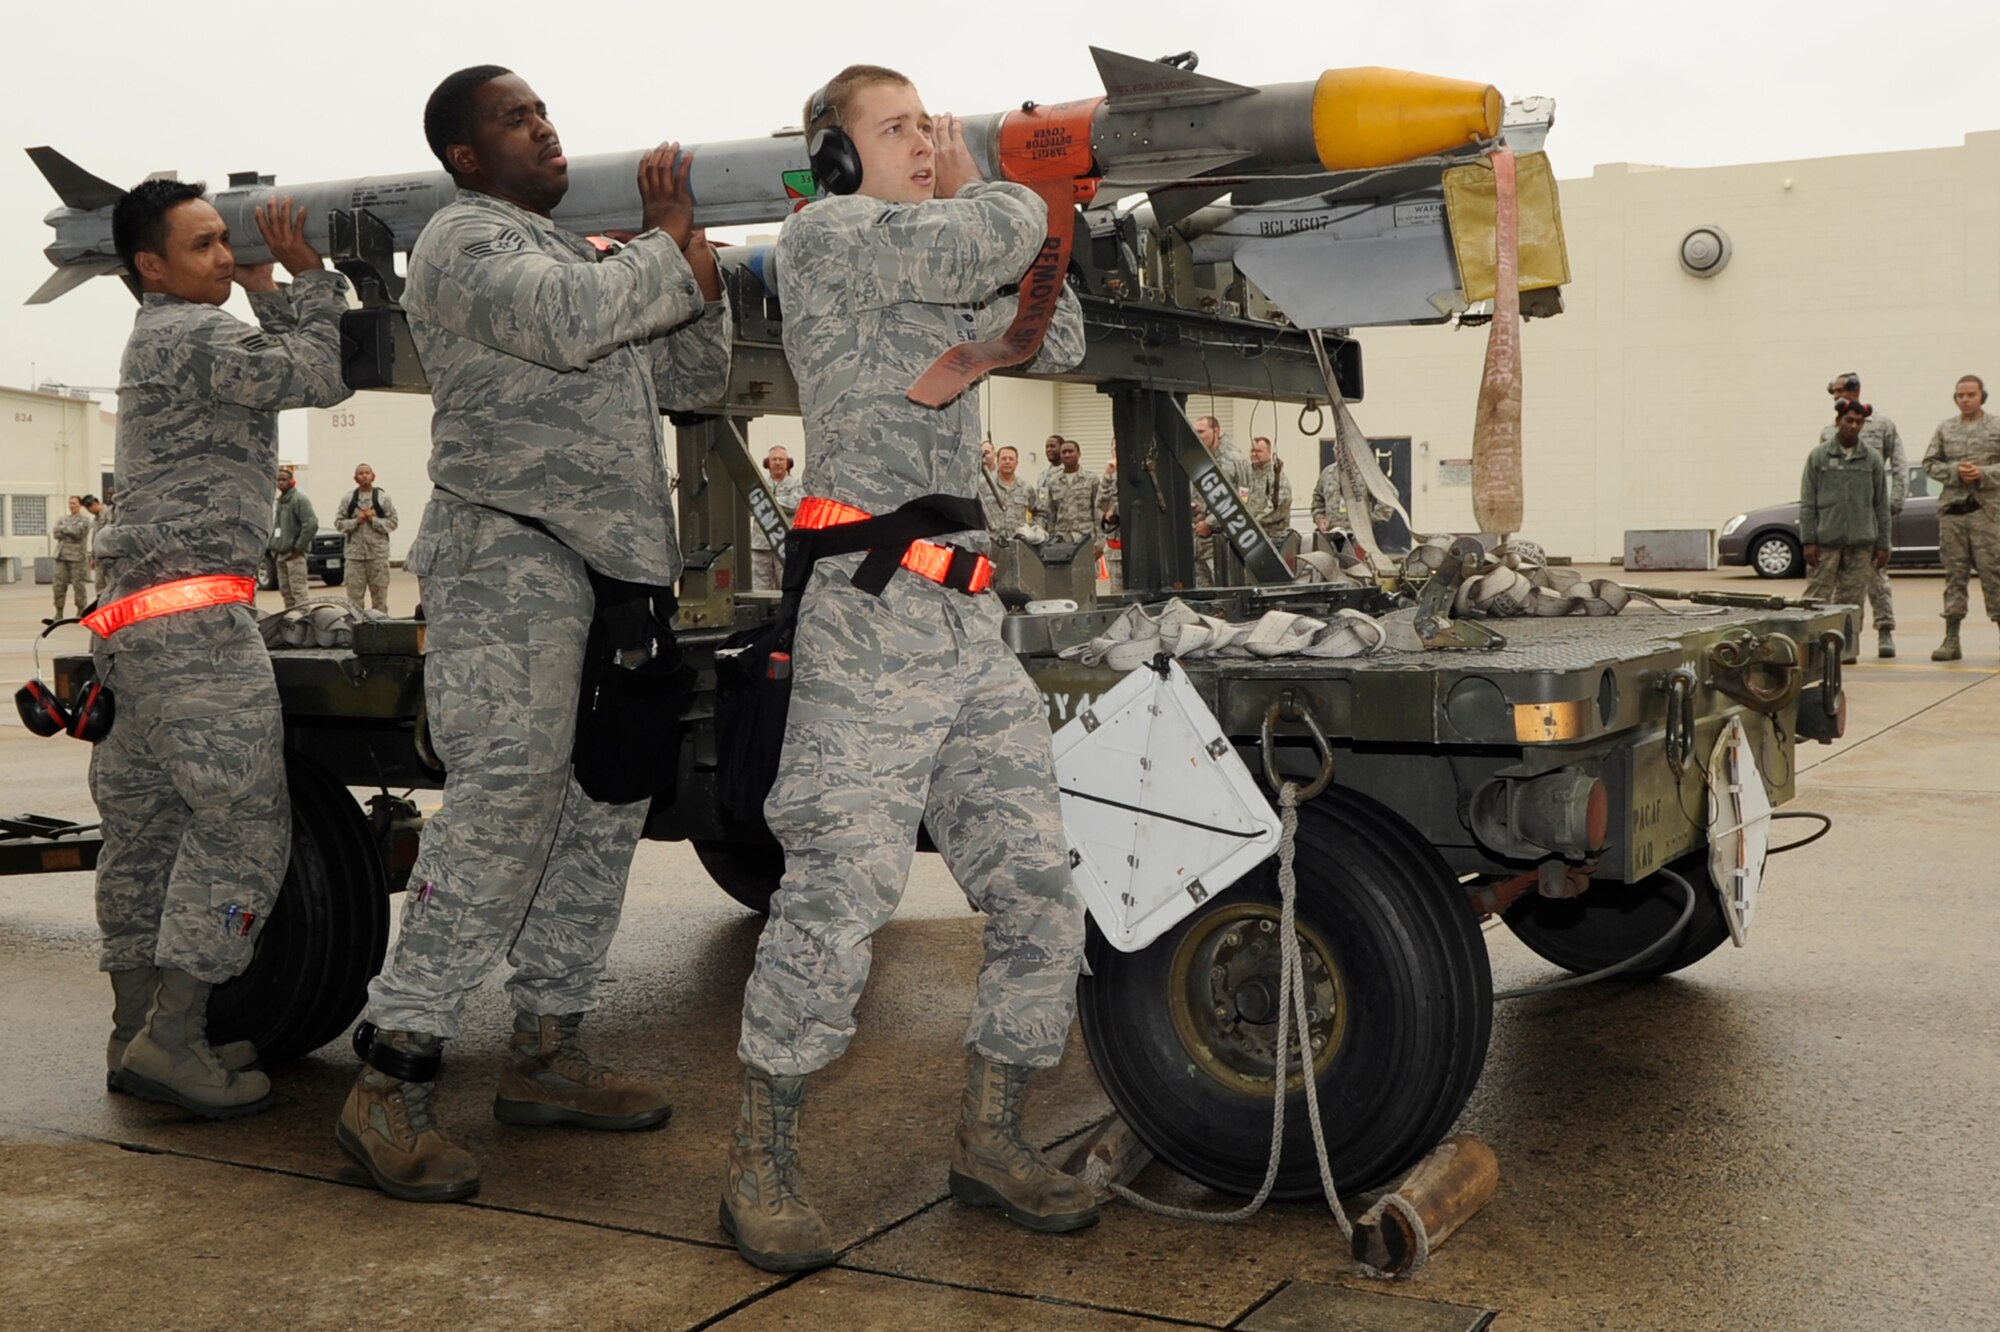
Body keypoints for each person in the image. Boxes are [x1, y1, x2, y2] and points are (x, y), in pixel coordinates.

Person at [724, 62, 1096, 1274]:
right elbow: (995, 236)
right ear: (834, 156)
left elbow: (1063, 328)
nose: (927, 144)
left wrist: (1025, 230)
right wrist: (1004, 188)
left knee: (1039, 887)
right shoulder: (828, 238)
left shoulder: (944, 253)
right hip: (868, 618)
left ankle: (989, 1138)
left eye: (931, 129)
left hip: (962, 620)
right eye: (899, 130)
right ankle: (759, 1164)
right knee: (839, 896)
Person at [338, 65, 732, 1204]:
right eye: (516, 119)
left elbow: (694, 378)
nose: (545, 129)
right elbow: (567, 330)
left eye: (546, 113)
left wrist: (699, 270)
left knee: (602, 805)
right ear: (465, 156)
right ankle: (390, 1079)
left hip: (614, 573)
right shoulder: (463, 246)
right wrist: (662, 240)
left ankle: (548, 1049)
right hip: (510, 560)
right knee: (505, 806)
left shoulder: (589, 259)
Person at [91, 180, 351, 1115]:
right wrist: (307, 279)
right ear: (149, 267)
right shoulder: (190, 333)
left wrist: (254, 286)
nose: (221, 257)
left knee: (149, 833)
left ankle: (139, 1032)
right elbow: (318, 375)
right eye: (201, 246)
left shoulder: (170, 337)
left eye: (221, 242)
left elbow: (275, 366)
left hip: (141, 624)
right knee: (243, 823)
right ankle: (173, 1037)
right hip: (195, 629)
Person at [1801, 400, 1891, 665]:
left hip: (1862, 542)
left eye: (1858, 422)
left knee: (1852, 601)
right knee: (1817, 597)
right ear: (1838, 421)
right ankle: (1812, 649)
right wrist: (1809, 540)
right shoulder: (1819, 457)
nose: (1853, 426)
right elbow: (1808, 502)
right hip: (1826, 542)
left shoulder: (1871, 459)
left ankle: (1846, 649)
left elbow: (1880, 505)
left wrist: (1883, 543)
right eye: (1848, 421)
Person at [1823, 373, 1906, 656]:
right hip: (1839, 518)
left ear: (1855, 389)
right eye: (1832, 391)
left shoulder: (1882, 425)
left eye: (1839, 390)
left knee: (1876, 575)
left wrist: (1895, 500)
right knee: (1843, 583)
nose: (1835, 395)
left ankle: (1885, 631)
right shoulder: (1828, 430)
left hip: (1871, 511)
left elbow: (1898, 463)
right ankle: (1847, 637)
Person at [1922, 374, 2000, 661]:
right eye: (1960, 395)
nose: (1965, 399)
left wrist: (1984, 473)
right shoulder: (1945, 429)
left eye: (1971, 394)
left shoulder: (1996, 426)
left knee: (1995, 576)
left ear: (1982, 396)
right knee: (1955, 577)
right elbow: (1930, 464)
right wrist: (1955, 472)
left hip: (1987, 515)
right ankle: (1951, 639)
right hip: (1953, 514)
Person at [1191, 414, 1251, 587]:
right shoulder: (1200, 460)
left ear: (1216, 431)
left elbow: (1243, 499)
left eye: (1201, 431)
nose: (1197, 436)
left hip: (1225, 545)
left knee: (1226, 595)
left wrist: (1210, 523)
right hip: (1199, 545)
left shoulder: (1234, 460)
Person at [334, 463, 399, 611]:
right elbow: (339, 523)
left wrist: (373, 520)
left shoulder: (383, 499)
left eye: (367, 473)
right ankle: (357, 630)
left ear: (373, 476)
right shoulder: (348, 499)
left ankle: (380, 629)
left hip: (378, 556)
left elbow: (393, 523)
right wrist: (355, 521)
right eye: (361, 473)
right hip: (355, 557)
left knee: (380, 599)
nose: (364, 475)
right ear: (355, 478)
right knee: (354, 600)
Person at [749, 445, 804, 592]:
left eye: (781, 459)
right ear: (767, 463)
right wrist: (779, 502)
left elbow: (795, 503)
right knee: (759, 588)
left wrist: (767, 501)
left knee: (787, 587)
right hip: (760, 546)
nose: (778, 463)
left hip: (784, 544)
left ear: (788, 463)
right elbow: (749, 506)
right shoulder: (758, 484)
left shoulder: (796, 484)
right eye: (774, 459)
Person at [268, 466, 316, 607]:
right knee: (286, 592)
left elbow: (311, 524)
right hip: (280, 554)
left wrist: (298, 548)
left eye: (284, 479)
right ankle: (292, 621)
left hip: (294, 555)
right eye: (279, 480)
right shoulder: (281, 502)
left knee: (299, 592)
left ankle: (305, 621)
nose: (281, 483)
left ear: (292, 481)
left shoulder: (299, 500)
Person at [1040, 439, 1101, 543]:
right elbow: (1051, 513)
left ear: (1079, 454)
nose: (1067, 455)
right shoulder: (1053, 481)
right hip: (1061, 538)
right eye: (1064, 452)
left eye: (1070, 451)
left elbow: (1098, 510)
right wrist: (1050, 538)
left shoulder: (1091, 479)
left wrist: (1100, 540)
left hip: (1085, 537)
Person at [1245, 435, 1293, 553]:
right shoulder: (1246, 476)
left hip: (1273, 540)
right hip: (1249, 539)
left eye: (1259, 451)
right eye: (1252, 451)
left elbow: (1280, 506)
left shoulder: (1277, 476)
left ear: (1269, 453)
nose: (1254, 454)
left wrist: (1254, 521)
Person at [51, 496, 92, 619]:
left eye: (74, 503)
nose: (71, 506)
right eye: (70, 503)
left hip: (77, 557)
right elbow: (55, 532)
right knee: (58, 585)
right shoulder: (63, 518)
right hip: (61, 556)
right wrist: (68, 530)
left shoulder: (84, 520)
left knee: (78, 585)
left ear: (80, 505)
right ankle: (59, 611)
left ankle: (81, 610)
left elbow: (79, 533)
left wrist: (64, 530)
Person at [981, 444, 1031, 537]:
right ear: (998, 461)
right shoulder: (983, 485)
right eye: (1004, 459)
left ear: (1017, 463)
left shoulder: (1025, 487)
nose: (1007, 462)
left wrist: (1031, 530)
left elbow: (1041, 511)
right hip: (992, 542)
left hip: (1019, 543)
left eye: (1011, 459)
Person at [82, 493, 109, 595]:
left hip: (108, 556)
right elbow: (94, 539)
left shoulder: (108, 513)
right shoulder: (96, 519)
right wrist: (92, 557)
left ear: (94, 504)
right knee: (99, 586)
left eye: (89, 509)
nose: (89, 511)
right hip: (99, 558)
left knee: (109, 586)